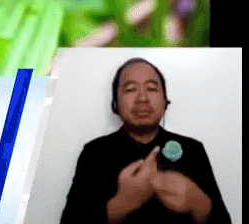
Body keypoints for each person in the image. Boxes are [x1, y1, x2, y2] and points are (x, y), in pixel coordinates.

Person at [58, 58, 231, 224]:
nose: (142, 98)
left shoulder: (192, 150)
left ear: (165, 102)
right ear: (116, 103)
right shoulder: (95, 152)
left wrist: (198, 202)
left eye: (152, 89)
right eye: (131, 89)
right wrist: (121, 204)